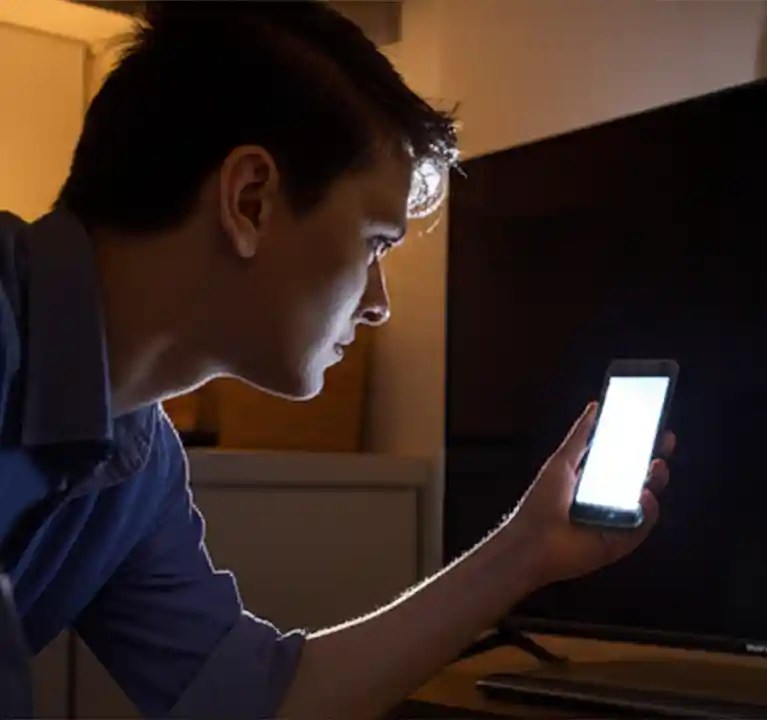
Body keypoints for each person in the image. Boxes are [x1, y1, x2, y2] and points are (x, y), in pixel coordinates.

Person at [0, 4, 673, 719]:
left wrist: (527, 548)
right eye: (376, 241)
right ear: (250, 200)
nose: (379, 301)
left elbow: (258, 700)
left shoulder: (138, 465)